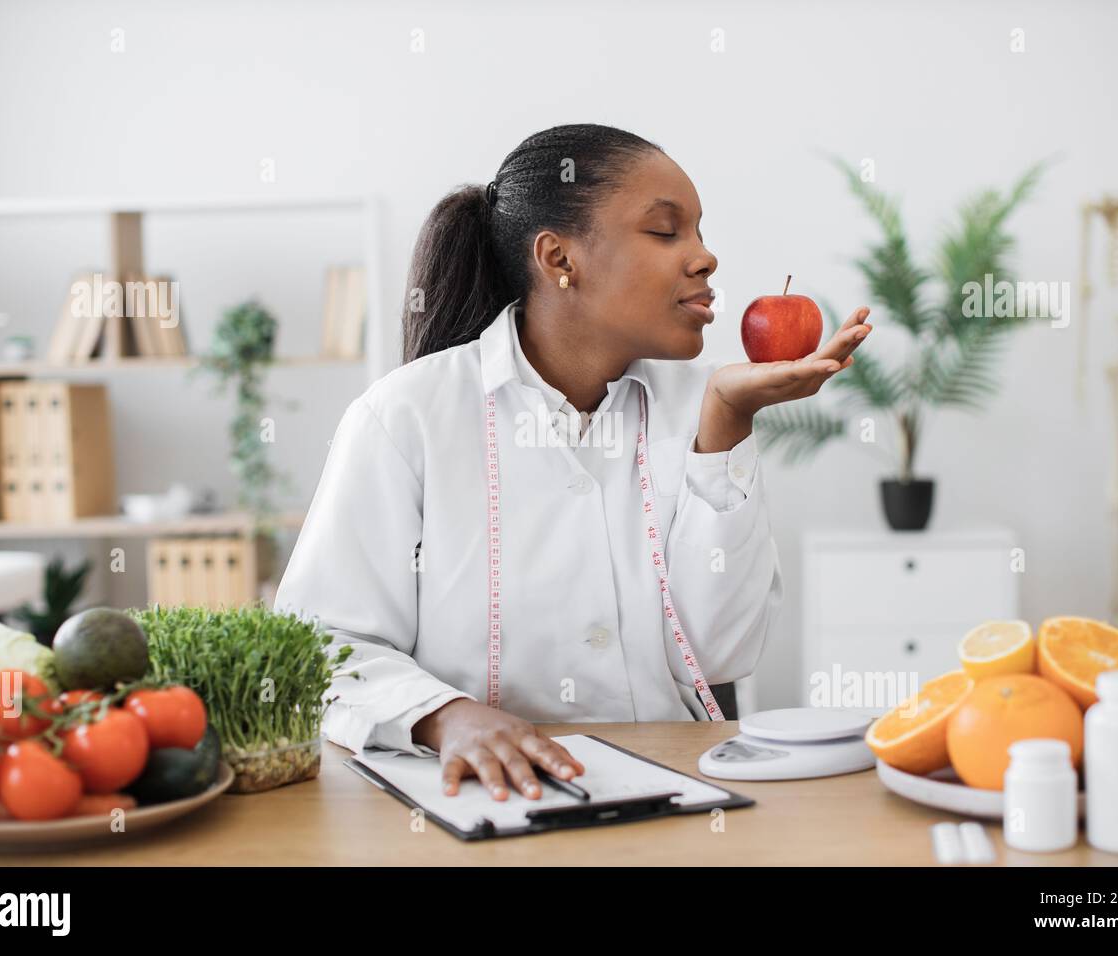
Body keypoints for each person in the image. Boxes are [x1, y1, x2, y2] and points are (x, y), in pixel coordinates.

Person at [274, 123, 871, 802]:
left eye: (700, 233)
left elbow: (722, 655)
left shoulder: (700, 409)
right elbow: (319, 645)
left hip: (671, 800)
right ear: (559, 258)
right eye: (666, 231)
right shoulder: (404, 417)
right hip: (476, 801)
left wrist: (727, 427)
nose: (705, 259)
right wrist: (443, 716)